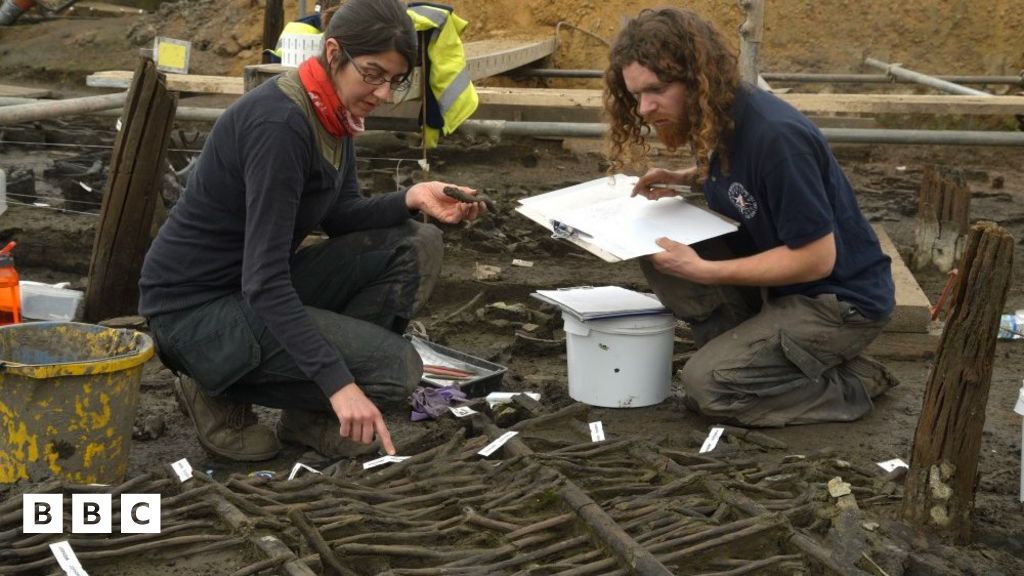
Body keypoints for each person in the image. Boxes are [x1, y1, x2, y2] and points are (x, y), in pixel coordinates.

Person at [139, 0, 485, 462]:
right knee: (395, 370)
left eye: (395, 80)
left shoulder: (333, 113)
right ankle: (212, 388)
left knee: (415, 242)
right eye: (373, 73)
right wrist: (339, 383)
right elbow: (264, 282)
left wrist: (413, 197)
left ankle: (309, 417)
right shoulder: (280, 124)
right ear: (335, 52)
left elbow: (340, 216)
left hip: (247, 290)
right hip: (194, 313)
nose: (383, 93)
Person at [603, 8, 898, 427]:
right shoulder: (712, 119)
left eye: (657, 90)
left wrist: (705, 271)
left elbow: (817, 259)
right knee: (656, 240)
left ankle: (853, 383)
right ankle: (749, 354)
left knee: (709, 388)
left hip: (837, 302)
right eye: (636, 96)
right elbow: (746, 184)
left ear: (698, 76)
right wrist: (688, 178)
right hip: (783, 289)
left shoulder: (776, 137)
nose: (645, 108)